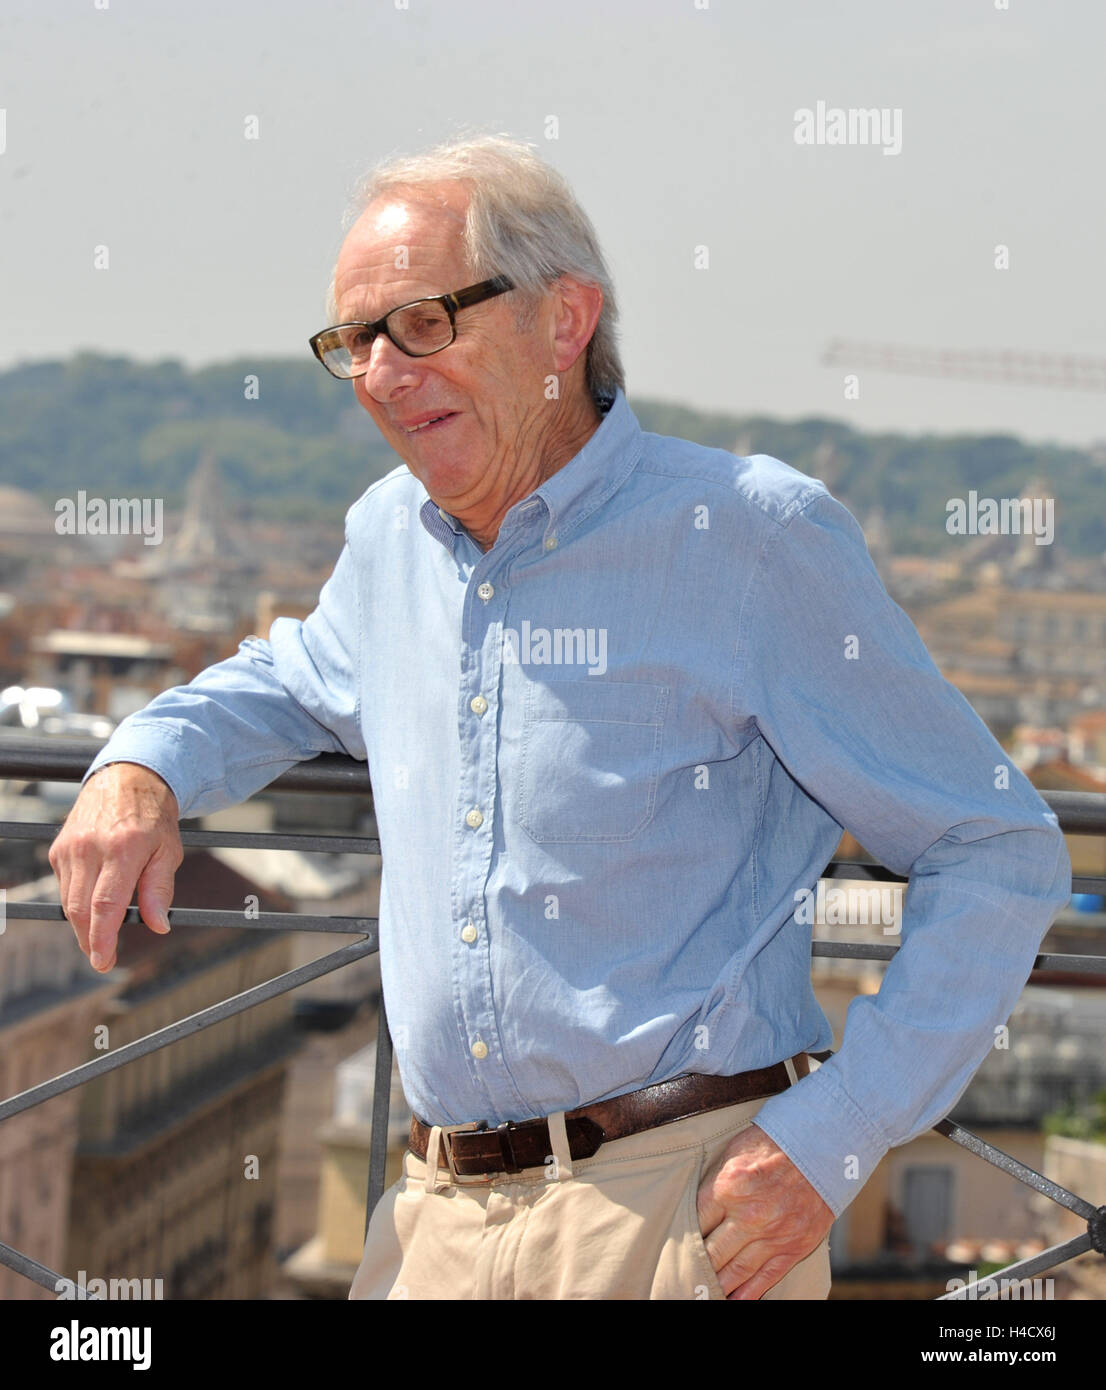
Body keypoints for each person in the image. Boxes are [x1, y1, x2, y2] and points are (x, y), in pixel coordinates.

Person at [49, 134, 1071, 1301]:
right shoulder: (391, 536)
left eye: (421, 324)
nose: (380, 375)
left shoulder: (748, 537)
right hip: (431, 1221)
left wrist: (829, 1135)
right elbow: (289, 679)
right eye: (354, 342)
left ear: (563, 319)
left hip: (677, 1213)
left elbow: (995, 846)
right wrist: (140, 764)